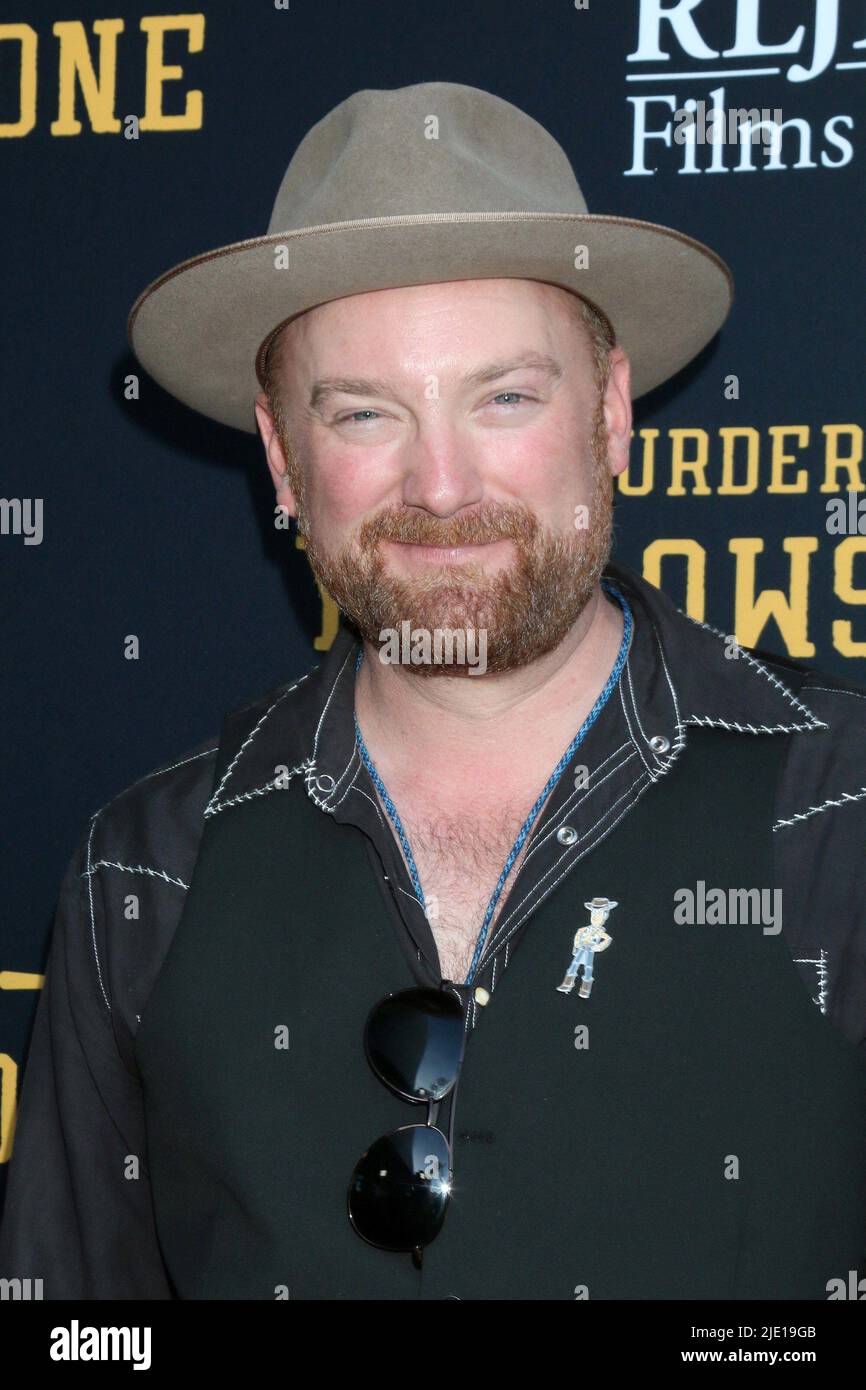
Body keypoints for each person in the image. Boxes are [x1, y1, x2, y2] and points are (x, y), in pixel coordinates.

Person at [2, 81, 865, 1301]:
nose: (442, 485)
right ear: (281, 456)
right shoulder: (142, 872)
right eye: (364, 413)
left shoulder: (842, 809)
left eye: (504, 397)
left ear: (611, 412)